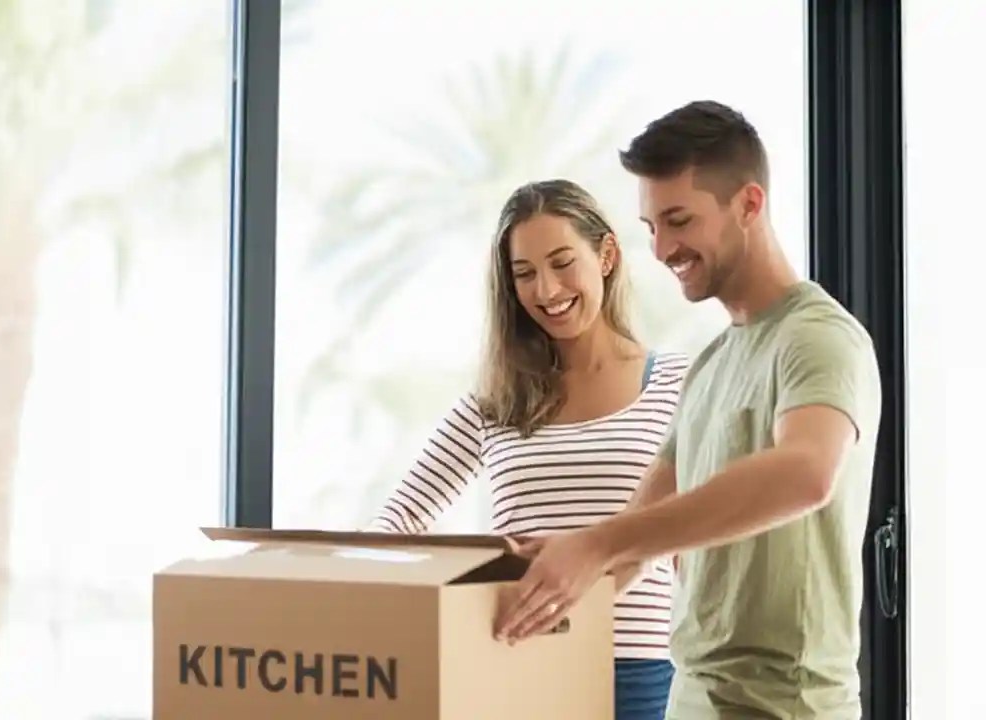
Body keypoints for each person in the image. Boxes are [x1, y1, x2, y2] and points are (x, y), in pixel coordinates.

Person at [493, 101, 883, 720]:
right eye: (650, 226)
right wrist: (543, 585)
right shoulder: (710, 366)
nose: (663, 247)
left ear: (749, 204)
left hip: (787, 707)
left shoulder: (817, 337)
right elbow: (641, 531)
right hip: (694, 698)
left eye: (678, 220)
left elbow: (806, 473)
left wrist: (597, 544)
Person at [368, 178, 689, 720]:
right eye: (524, 274)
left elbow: (690, 542)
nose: (546, 290)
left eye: (563, 262)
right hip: (514, 666)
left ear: (606, 255)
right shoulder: (497, 399)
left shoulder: (678, 384)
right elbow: (402, 516)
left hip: (634, 675)